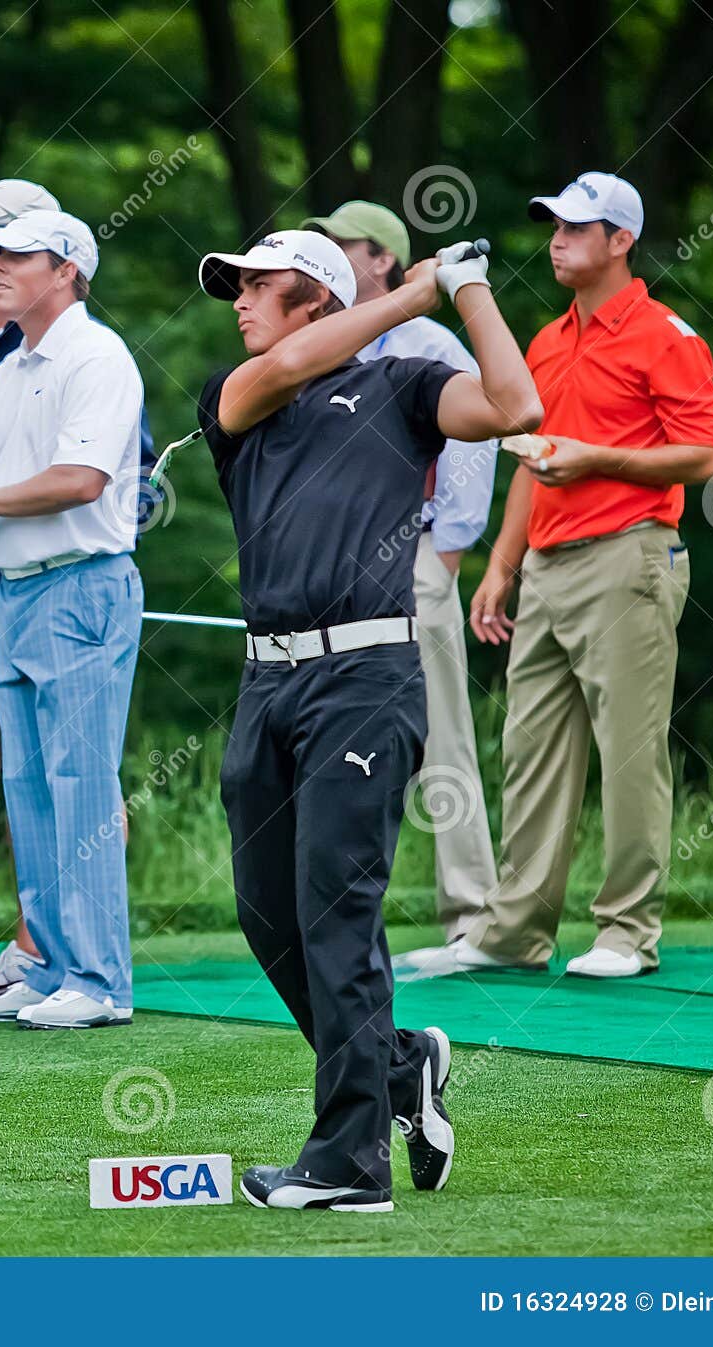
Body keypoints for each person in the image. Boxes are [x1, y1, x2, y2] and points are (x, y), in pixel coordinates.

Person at [194, 229, 541, 1209]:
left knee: (335, 914)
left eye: (260, 285)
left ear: (317, 298)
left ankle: (348, 1164)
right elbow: (300, 360)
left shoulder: (405, 389)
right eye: (238, 286)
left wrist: (467, 292)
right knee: (268, 917)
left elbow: (518, 406)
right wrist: (415, 292)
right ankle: (399, 1069)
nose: (239, 301)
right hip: (267, 687)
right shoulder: (243, 395)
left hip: (365, 677)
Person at [400, 173, 713, 981]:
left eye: (578, 228)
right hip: (543, 563)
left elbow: (708, 458)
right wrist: (500, 566)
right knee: (532, 750)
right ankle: (514, 932)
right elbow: (529, 459)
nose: (557, 238)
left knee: (629, 751)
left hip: (629, 554)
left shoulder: (666, 335)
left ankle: (626, 932)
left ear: (621, 241)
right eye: (552, 225)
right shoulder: (547, 340)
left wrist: (597, 460)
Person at [0, 180, 157, 1008]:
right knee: (28, 790)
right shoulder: (15, 362)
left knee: (81, 787)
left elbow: (81, 478)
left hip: (82, 587)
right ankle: (54, 966)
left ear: (64, 269)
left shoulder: (97, 356)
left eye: (17, 255)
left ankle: (101, 979)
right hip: (19, 590)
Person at [304, 201, 500, 941]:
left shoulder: (429, 341)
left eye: (339, 245)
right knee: (344, 732)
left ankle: (474, 917)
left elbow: (473, 456)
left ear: (383, 258)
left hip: (415, 556)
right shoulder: (328, 339)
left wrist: (442, 556)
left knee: (441, 734)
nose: (324, 255)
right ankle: (345, 914)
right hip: (338, 563)